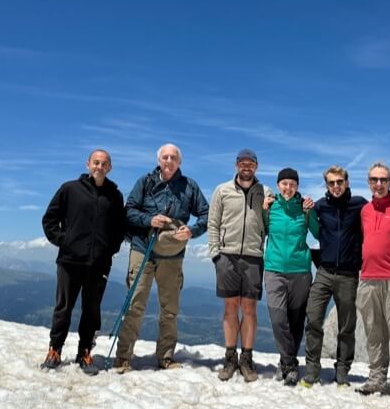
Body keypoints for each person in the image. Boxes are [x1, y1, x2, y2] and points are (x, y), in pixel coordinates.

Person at [116, 143, 209, 373]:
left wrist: (192, 231)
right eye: (165, 157)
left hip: (172, 254)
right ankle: (123, 357)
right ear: (159, 160)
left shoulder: (190, 187)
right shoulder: (145, 182)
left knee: (170, 309)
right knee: (135, 304)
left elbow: (206, 215)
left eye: (173, 157)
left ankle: (166, 357)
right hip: (142, 249)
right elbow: (128, 211)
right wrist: (149, 220)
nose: (169, 161)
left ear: (179, 162)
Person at [40, 149, 125, 375]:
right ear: (88, 164)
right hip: (70, 260)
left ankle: (84, 352)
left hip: (98, 263)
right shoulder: (70, 189)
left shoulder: (115, 195)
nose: (99, 166)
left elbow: (119, 228)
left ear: (110, 168)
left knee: (91, 310)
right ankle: (54, 350)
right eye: (96, 162)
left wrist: (109, 250)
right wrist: (64, 241)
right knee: (63, 308)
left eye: (104, 163)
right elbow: (50, 219)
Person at [207, 148, 272, 382]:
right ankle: (229, 358)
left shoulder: (265, 192)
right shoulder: (222, 190)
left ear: (257, 166)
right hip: (227, 256)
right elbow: (212, 223)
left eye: (251, 163)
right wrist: (216, 254)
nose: (246, 167)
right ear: (236, 165)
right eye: (242, 163)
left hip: (254, 257)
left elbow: (270, 223)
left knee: (250, 310)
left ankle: (246, 359)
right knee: (230, 308)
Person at [302, 165, 367, 387]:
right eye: (331, 183)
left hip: (349, 274)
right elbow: (309, 222)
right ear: (327, 185)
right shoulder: (321, 206)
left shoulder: (359, 204)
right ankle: (312, 370)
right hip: (324, 271)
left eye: (340, 182)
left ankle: (342, 372)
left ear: (347, 182)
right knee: (313, 318)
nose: (336, 186)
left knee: (346, 326)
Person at [356, 161, 390, 399]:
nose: (379, 184)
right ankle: (376, 378)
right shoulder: (365, 211)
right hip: (367, 279)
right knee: (373, 333)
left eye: (383, 180)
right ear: (369, 182)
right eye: (374, 180)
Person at [262, 168, 319, 386]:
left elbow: (318, 232)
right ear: (278, 186)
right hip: (274, 269)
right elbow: (261, 231)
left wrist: (312, 210)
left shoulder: (304, 208)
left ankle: (285, 362)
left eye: (292, 184)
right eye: (284, 183)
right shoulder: (270, 208)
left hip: (300, 272)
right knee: (278, 320)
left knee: (295, 321)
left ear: (297, 186)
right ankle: (289, 363)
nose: (288, 188)